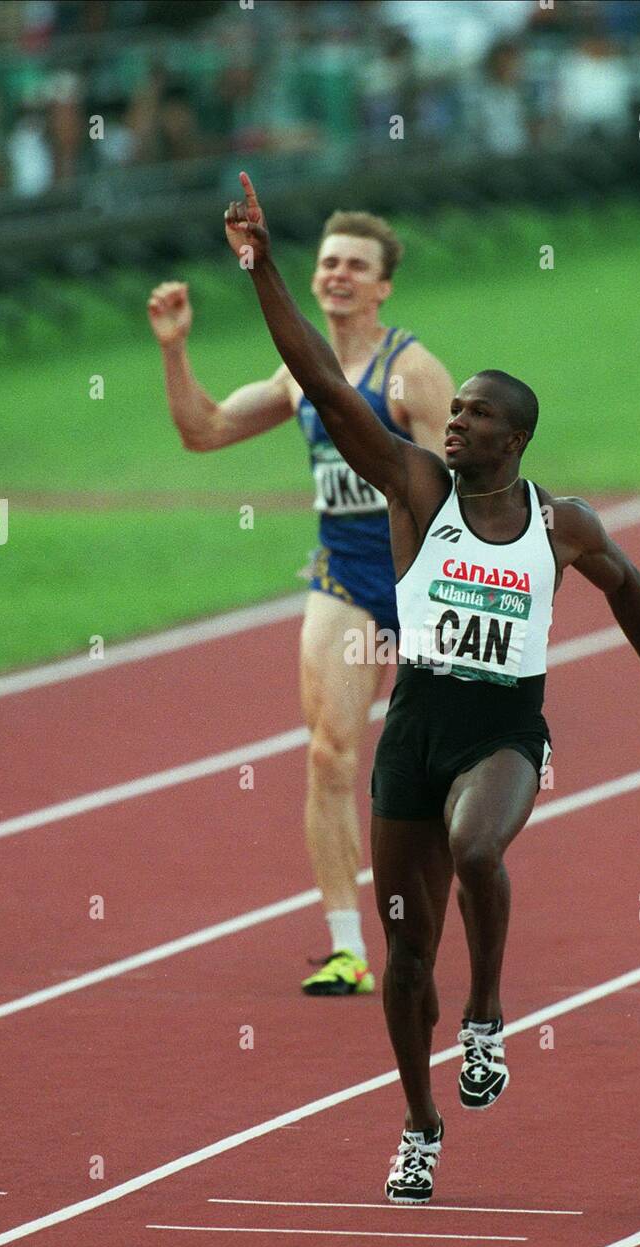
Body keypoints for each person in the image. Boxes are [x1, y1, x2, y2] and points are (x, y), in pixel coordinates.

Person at [224, 173, 640, 1204]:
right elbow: (319, 374)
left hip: (501, 731)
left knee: (478, 845)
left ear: (512, 439)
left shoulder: (556, 522)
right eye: (457, 411)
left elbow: (630, 591)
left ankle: (485, 1010)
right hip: (418, 727)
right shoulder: (414, 487)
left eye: (476, 417)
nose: (455, 424)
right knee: (403, 954)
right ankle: (420, 1120)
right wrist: (263, 270)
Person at [148, 201, 453, 998]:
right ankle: (348, 948)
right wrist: (175, 351)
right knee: (328, 753)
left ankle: (429, 917)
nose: (337, 274)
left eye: (356, 264)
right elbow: (205, 430)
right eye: (327, 262)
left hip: (423, 587)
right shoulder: (300, 372)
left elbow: (463, 485)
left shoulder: (411, 372)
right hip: (344, 579)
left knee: (438, 772)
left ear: (383, 286)